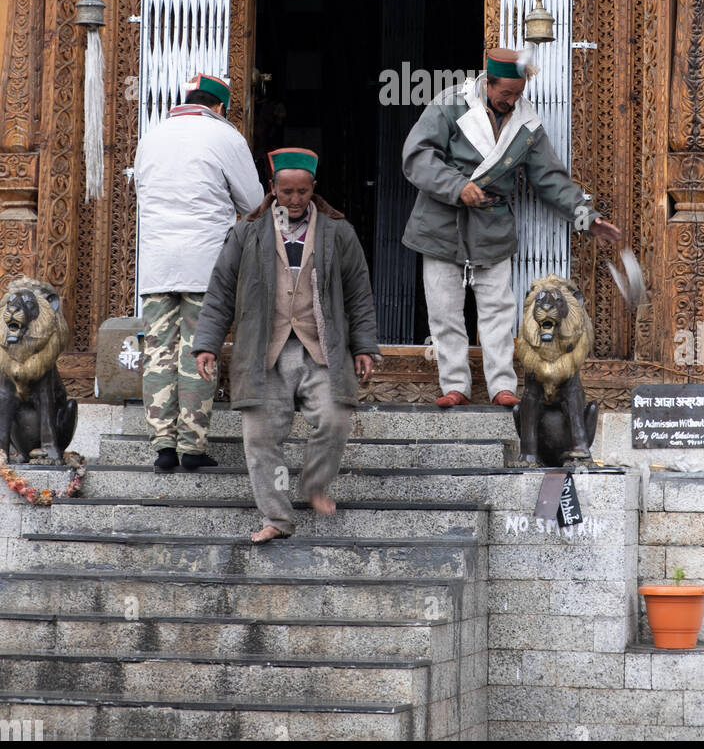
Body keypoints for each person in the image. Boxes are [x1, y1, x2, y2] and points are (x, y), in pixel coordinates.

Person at [402, 48, 621, 408]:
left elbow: (549, 178)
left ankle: (502, 386)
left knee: (499, 311)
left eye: (518, 93)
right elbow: (418, 157)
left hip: (491, 227)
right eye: (506, 93)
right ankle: (455, 386)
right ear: (487, 83)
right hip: (440, 225)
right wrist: (457, 187)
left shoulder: (526, 123)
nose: (512, 100)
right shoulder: (449, 104)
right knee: (444, 312)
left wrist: (588, 217)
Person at [192, 148, 380, 543]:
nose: (295, 200)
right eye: (286, 191)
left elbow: (359, 293)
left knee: (335, 419)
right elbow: (221, 291)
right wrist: (207, 343)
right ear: (272, 188)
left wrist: (364, 346)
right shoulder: (247, 231)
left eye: (302, 192)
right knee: (260, 437)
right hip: (264, 352)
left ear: (314, 188)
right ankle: (277, 518)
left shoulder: (337, 231)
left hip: (321, 349)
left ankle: (313, 485)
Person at [133, 74, 264, 473]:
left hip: (156, 263)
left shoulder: (152, 136)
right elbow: (254, 202)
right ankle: (192, 449)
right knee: (198, 352)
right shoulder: (225, 137)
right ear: (220, 106)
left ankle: (163, 448)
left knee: (157, 353)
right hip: (205, 263)